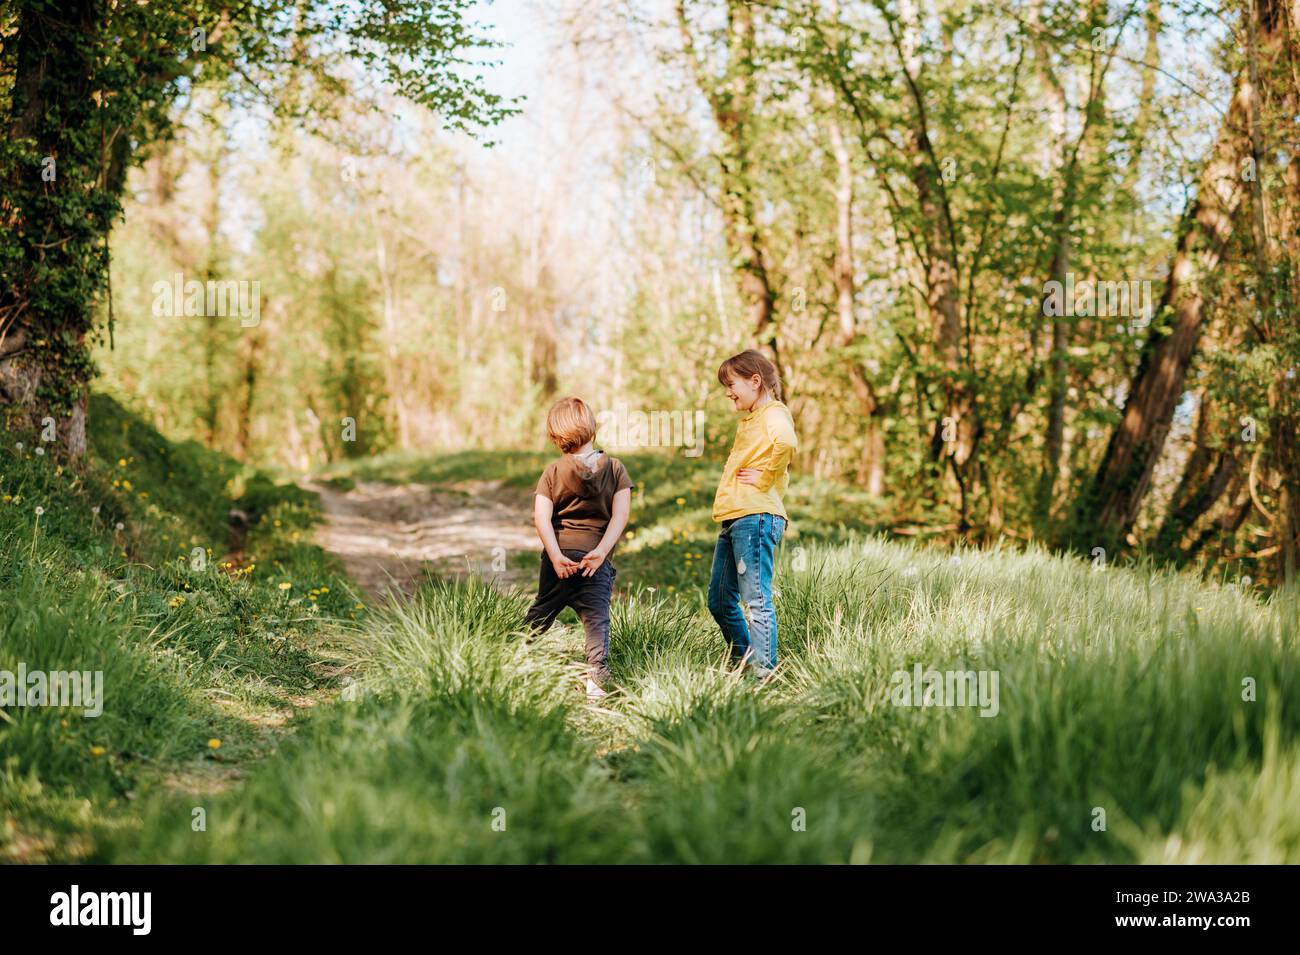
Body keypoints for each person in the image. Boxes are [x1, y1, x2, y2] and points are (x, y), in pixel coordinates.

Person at [525, 397, 633, 700]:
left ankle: (515, 656)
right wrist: (601, 552)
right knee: (596, 619)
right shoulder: (615, 469)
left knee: (542, 611)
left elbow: (541, 517)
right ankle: (596, 679)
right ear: (592, 429)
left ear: (555, 437)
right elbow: (621, 515)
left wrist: (557, 556)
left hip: (559, 560)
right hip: (594, 563)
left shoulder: (552, 472)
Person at [707, 350, 798, 680]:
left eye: (731, 384)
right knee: (719, 600)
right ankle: (747, 661)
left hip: (756, 517)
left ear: (755, 381)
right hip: (736, 518)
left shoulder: (774, 413)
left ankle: (765, 675)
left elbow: (786, 442)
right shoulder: (753, 420)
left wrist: (766, 475)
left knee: (756, 601)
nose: (728, 392)